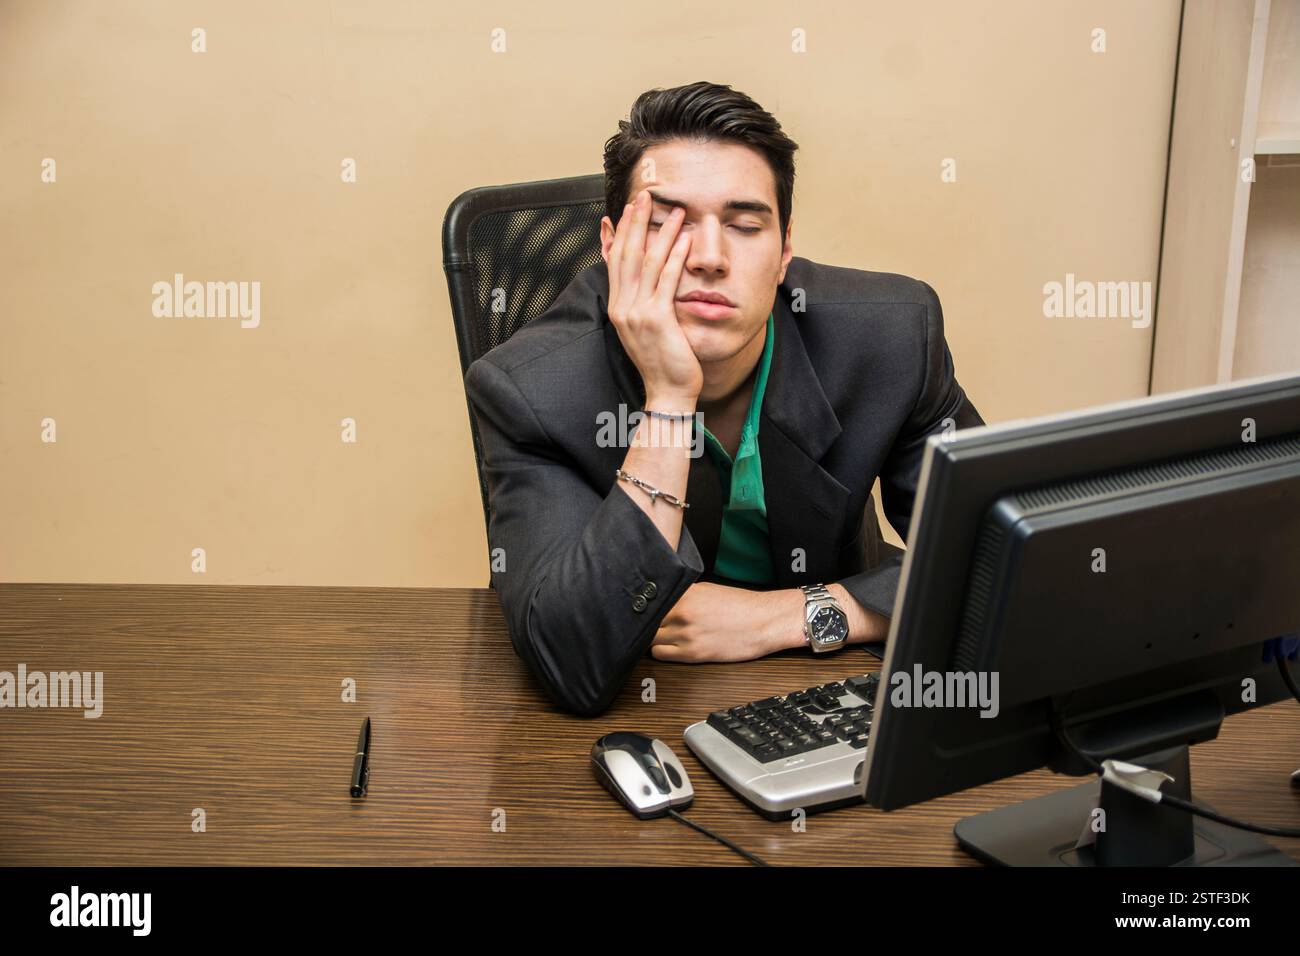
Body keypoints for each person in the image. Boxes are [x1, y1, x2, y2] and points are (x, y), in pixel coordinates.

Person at [464, 81, 983, 716]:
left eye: (743, 225)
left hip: (832, 695)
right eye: (665, 225)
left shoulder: (891, 336)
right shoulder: (528, 390)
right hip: (652, 709)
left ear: (785, 249)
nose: (708, 258)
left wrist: (804, 614)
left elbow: (996, 559)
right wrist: (668, 397)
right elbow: (571, 662)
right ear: (611, 245)